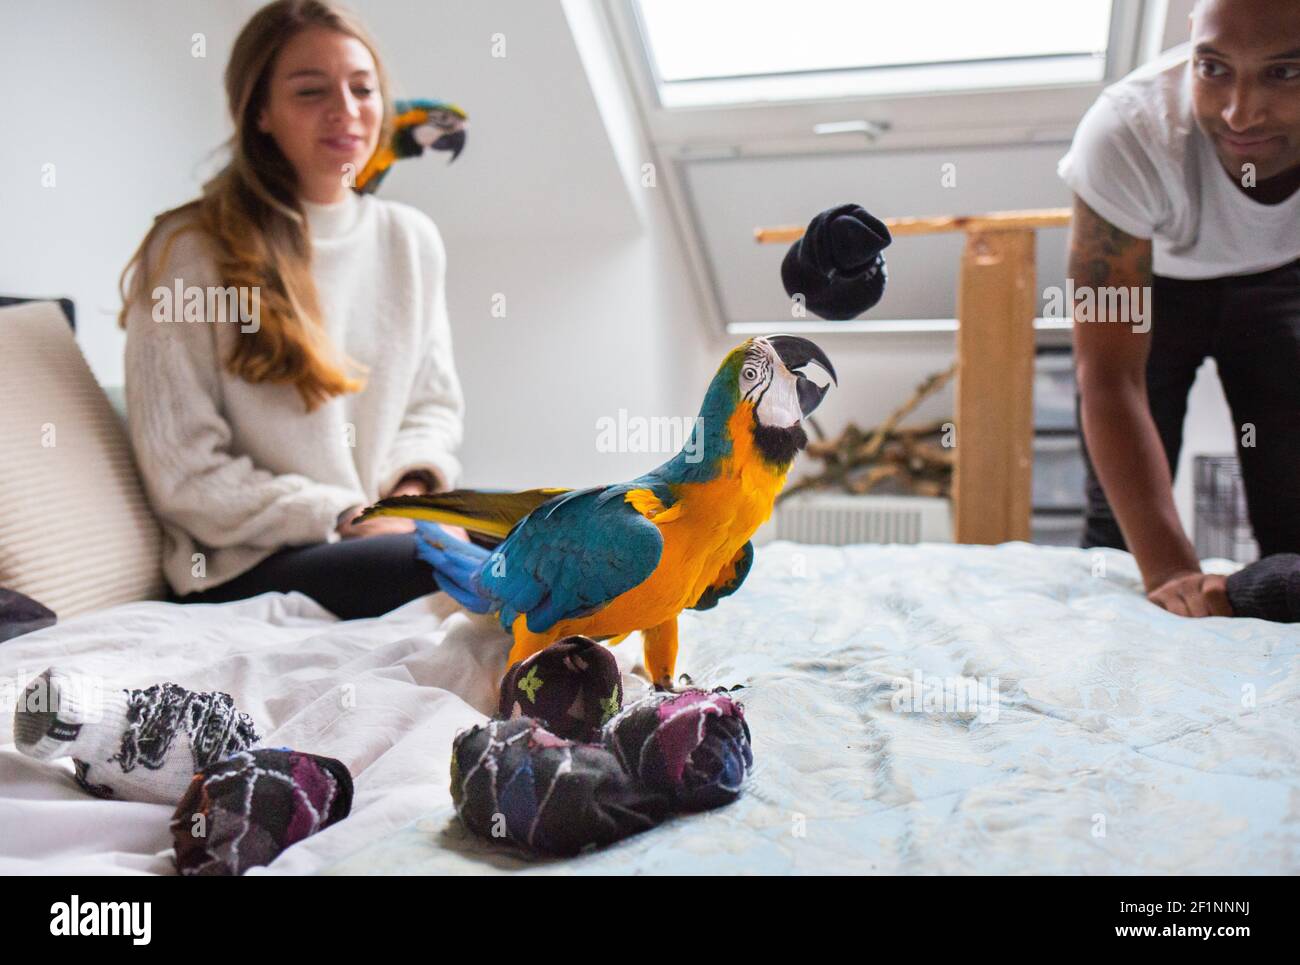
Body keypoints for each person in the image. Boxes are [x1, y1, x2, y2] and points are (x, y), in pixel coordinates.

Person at [119, 0, 467, 619]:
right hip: (243, 560)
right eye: (311, 92)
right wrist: (341, 513)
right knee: (444, 568)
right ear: (260, 112)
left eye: (363, 88)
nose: (346, 111)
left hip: (378, 529)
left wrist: (411, 499)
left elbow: (430, 408)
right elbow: (185, 473)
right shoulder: (188, 250)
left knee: (552, 532)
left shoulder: (410, 239)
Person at [1058, 0, 1300, 617]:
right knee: (1121, 536)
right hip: (1156, 292)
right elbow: (1108, 378)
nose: (1240, 112)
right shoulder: (1126, 133)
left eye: (1285, 73)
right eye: (1213, 68)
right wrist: (1171, 573)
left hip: (1286, 281)